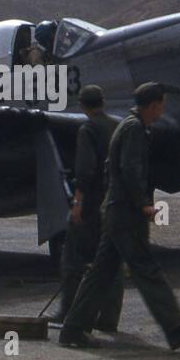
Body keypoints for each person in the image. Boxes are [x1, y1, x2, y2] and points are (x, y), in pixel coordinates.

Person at [59, 82, 180, 352]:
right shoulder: (134, 129)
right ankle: (175, 330)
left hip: (116, 210)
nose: (163, 110)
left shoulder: (129, 126)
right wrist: (143, 204)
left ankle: (73, 329)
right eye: (162, 104)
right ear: (154, 105)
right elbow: (130, 168)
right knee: (147, 270)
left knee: (101, 274)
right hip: (126, 214)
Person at [52, 85, 124, 328]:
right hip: (115, 202)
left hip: (92, 202)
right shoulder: (119, 125)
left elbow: (85, 170)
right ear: (102, 101)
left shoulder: (88, 128)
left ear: (81, 105)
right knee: (111, 261)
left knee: (73, 258)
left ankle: (68, 312)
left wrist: (77, 204)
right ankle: (109, 319)